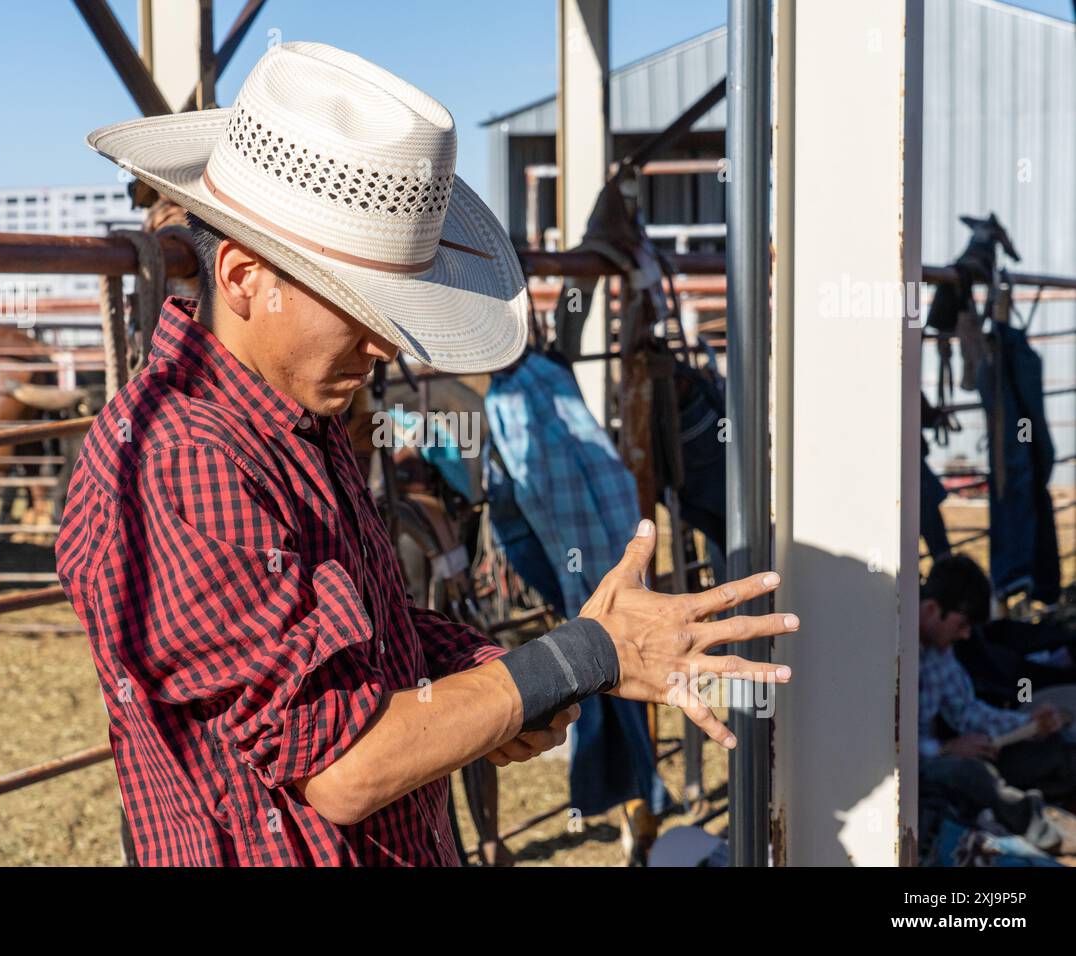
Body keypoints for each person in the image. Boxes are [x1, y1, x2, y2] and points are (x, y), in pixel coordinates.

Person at [56, 41, 800, 866]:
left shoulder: (285, 421)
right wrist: (581, 655)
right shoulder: (186, 459)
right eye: (358, 306)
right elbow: (345, 766)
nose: (383, 342)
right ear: (240, 277)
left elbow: (359, 635)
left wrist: (509, 682)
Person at [918, 555, 1075, 803]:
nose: (967, 635)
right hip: (912, 774)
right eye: (962, 625)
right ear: (931, 610)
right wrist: (943, 751)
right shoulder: (884, 656)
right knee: (976, 777)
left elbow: (966, 711)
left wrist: (1027, 724)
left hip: (1017, 692)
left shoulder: (939, 653)